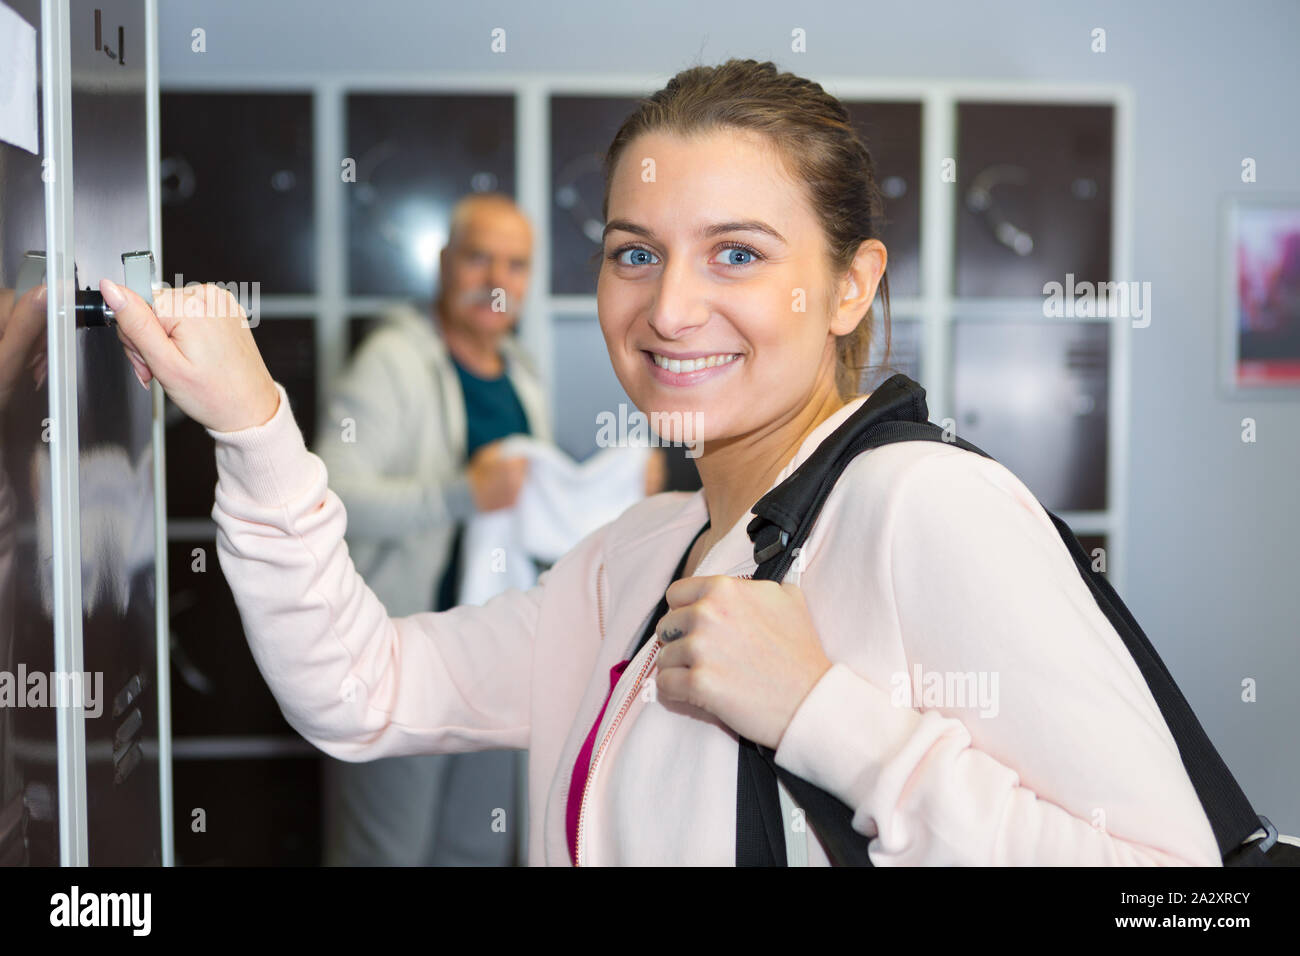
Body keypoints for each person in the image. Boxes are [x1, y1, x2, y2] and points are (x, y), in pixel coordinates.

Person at [105, 59, 1221, 866]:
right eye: (634, 253)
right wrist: (254, 428)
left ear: (850, 284)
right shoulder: (634, 556)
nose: (671, 308)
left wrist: (824, 713)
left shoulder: (928, 507)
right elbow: (361, 691)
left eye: (737, 252)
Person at [312, 193, 546, 866]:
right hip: (401, 663)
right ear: (444, 266)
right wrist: (457, 495)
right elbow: (330, 497)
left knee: (475, 848)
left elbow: (524, 512)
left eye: (516, 264)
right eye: (479, 258)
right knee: (387, 853)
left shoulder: (522, 376)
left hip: (496, 660)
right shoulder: (392, 362)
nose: (498, 281)